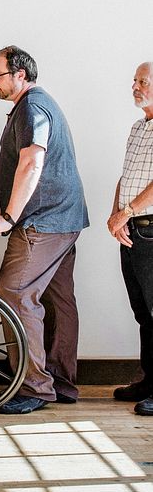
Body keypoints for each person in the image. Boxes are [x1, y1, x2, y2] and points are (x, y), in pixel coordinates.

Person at [0, 45, 89, 414]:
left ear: (20, 75)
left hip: (44, 221)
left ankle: (32, 386)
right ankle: (59, 382)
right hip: (63, 219)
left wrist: (11, 217)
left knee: (13, 290)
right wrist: (11, 207)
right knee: (58, 299)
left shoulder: (32, 107)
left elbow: (32, 161)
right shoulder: (35, 105)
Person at [108, 63, 153, 416]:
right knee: (144, 313)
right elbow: (126, 177)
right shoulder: (138, 128)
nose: (135, 87)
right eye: (135, 81)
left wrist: (128, 211)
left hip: (150, 228)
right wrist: (116, 214)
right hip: (133, 230)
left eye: (143, 82)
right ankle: (148, 380)